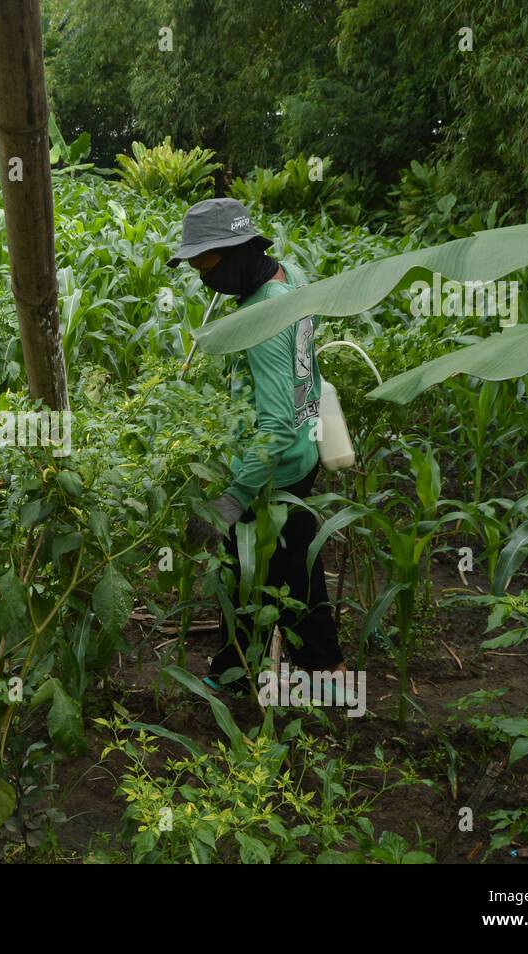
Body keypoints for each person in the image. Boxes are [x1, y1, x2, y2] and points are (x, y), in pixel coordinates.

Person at [167, 198, 345, 692]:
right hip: (304, 451)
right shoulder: (287, 275)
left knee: (255, 570)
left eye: (207, 262)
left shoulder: (262, 323)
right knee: (287, 567)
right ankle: (254, 670)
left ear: (240, 251)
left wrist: (232, 498)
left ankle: (301, 676)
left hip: (273, 468)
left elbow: (274, 427)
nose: (202, 275)